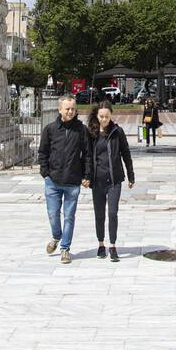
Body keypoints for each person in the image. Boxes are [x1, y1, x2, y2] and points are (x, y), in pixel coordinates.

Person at [38, 95, 90, 262]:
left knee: (69, 216)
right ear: (59, 109)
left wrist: (86, 175)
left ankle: (65, 248)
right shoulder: (50, 129)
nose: (71, 111)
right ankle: (56, 236)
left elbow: (87, 154)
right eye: (67, 108)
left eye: (73, 109)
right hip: (52, 181)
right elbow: (43, 152)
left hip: (73, 181)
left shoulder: (81, 130)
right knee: (53, 214)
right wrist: (45, 172)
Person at [83, 102, 135, 262]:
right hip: (97, 181)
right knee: (99, 214)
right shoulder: (91, 133)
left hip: (114, 180)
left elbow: (126, 153)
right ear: (97, 116)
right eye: (101, 116)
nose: (104, 119)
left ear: (111, 115)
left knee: (112, 213)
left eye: (106, 116)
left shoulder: (117, 132)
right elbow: (87, 157)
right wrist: (86, 176)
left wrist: (131, 175)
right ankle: (101, 244)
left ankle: (113, 246)